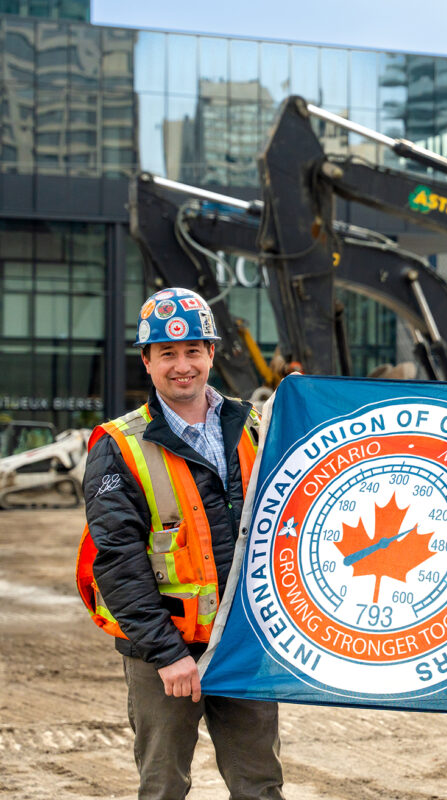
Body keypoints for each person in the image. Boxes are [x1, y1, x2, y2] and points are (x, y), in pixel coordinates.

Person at [77, 288, 284, 800]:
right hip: (163, 650)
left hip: (241, 643)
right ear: (147, 362)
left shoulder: (254, 427)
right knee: (164, 786)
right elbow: (118, 562)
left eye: (193, 350)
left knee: (260, 786)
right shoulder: (117, 445)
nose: (182, 365)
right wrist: (168, 655)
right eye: (167, 354)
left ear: (212, 354)